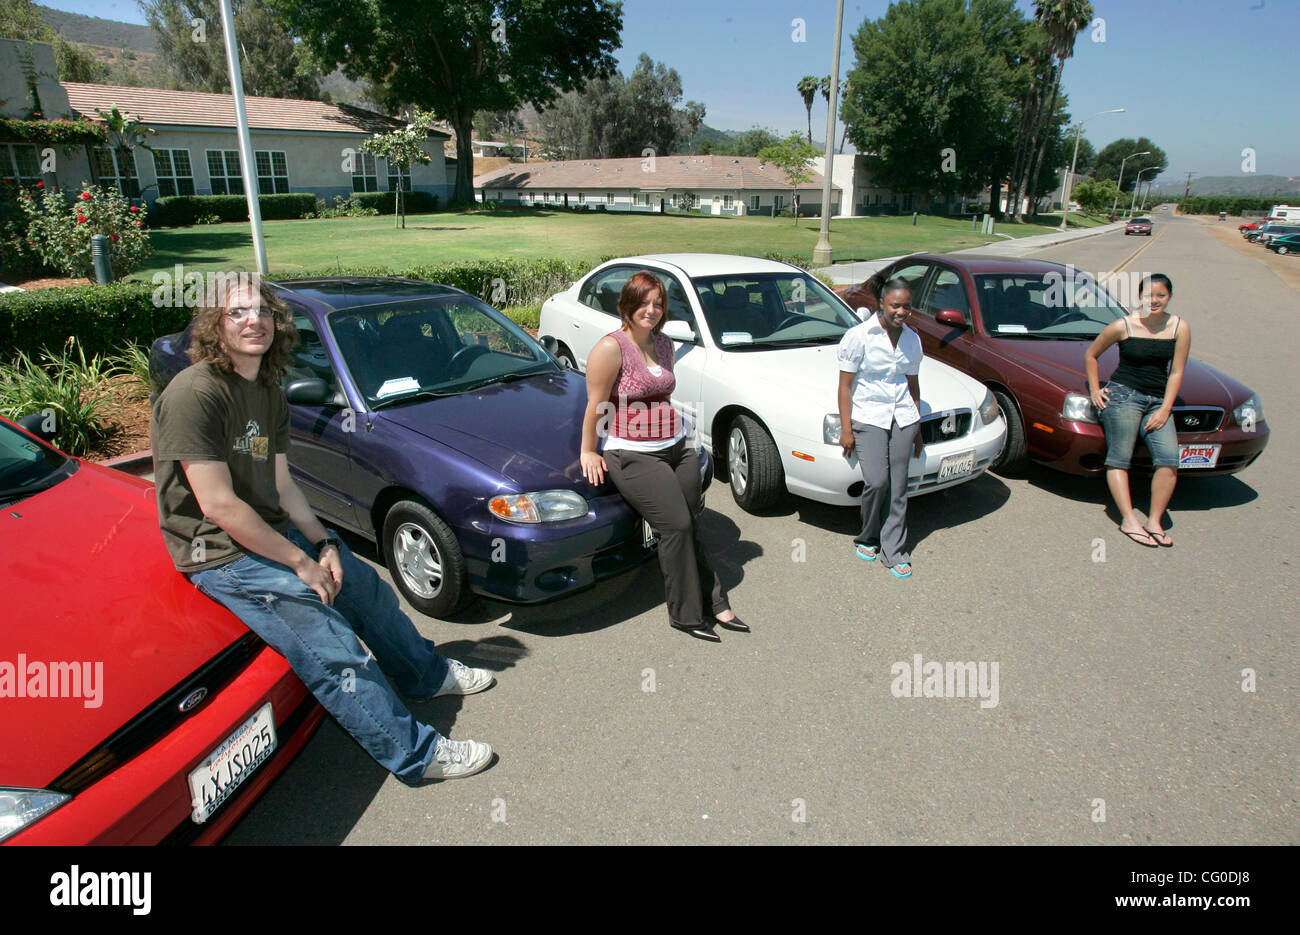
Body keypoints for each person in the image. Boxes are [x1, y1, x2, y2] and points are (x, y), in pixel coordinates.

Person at [151, 275, 496, 783]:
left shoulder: (264, 386)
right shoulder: (194, 394)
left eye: (263, 312)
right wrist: (300, 565)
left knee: (366, 591)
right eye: (238, 313)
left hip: (267, 529)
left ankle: (428, 674)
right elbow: (219, 505)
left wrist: (324, 543)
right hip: (219, 551)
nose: (255, 321)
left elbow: (282, 483)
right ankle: (417, 756)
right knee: (332, 645)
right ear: (214, 326)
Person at [579, 270, 745, 642]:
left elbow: (663, 395)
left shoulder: (665, 343)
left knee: (691, 521)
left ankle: (715, 602)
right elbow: (595, 405)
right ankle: (686, 614)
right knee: (677, 525)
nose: (651, 310)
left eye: (658, 303)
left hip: (678, 445)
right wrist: (588, 449)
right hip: (633, 452)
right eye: (643, 302)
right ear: (627, 305)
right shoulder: (611, 347)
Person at [1085, 273, 1189, 548]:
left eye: (1160, 295)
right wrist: (1096, 389)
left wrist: (1165, 409)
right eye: (1147, 295)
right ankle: (1129, 519)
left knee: (1168, 459)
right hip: (1123, 396)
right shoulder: (1123, 326)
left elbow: (1177, 372)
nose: (1153, 301)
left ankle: (1154, 521)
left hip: (1157, 401)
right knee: (1120, 457)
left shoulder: (1179, 327)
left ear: (1169, 297)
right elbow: (1091, 355)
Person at [836, 278, 924, 578]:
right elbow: (845, 387)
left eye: (907, 307)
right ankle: (869, 535)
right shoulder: (859, 336)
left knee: (899, 487)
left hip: (903, 417)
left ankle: (895, 549)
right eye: (895, 305)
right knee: (877, 481)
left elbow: (913, 385)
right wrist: (846, 429)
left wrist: (918, 428)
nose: (901, 312)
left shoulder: (912, 340)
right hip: (868, 415)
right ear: (881, 304)